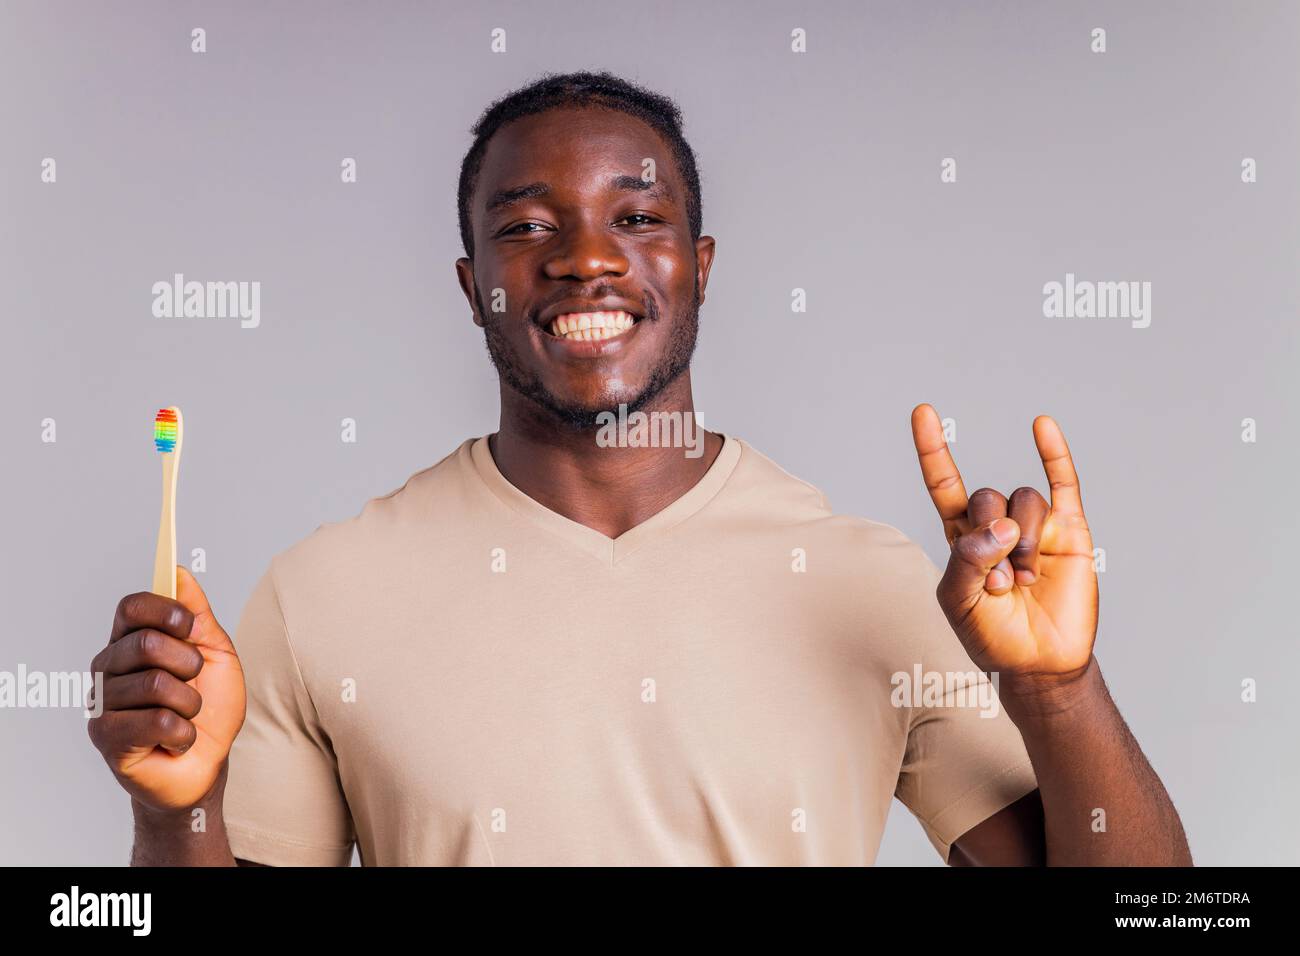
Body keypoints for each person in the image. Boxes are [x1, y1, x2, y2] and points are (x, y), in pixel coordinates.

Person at [89, 71, 1190, 866]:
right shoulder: (321, 592)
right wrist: (171, 814)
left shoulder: (873, 583)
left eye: (636, 215)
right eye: (527, 225)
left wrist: (1057, 689)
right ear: (473, 285)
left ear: (697, 266)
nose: (585, 256)